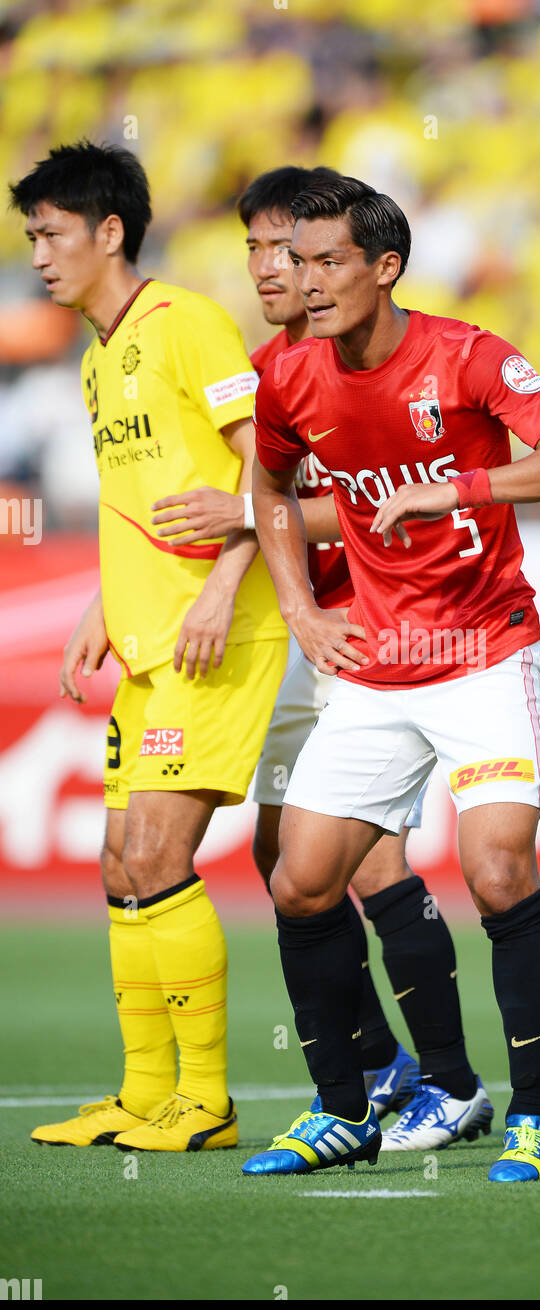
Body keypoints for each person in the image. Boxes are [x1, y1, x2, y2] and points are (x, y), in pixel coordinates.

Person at [246, 174, 540, 1182]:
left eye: (326, 263)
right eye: (293, 261)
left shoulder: (464, 354)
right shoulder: (287, 375)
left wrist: (459, 482)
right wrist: (299, 609)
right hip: (375, 660)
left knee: (496, 871)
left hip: (483, 652)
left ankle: (532, 1122)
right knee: (299, 879)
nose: (302, 281)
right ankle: (345, 1111)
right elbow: (267, 488)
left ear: (384, 266)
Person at [149, 165, 490, 1146]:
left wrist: (238, 556)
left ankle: (449, 1079)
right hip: (303, 633)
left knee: (371, 857)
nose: (268, 267)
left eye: (286, 248)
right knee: (281, 854)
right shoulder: (273, 368)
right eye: (256, 248)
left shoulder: (386, 353)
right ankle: (381, 1065)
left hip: (380, 632)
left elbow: (377, 494)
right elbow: (267, 498)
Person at [10, 141, 287, 1152]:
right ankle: (141, 1091)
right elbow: (141, 503)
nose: (38, 254)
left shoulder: (187, 325)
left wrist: (223, 579)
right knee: (118, 861)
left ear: (109, 231)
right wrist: (101, 603)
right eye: (30, 235)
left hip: (219, 636)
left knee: (160, 852)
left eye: (51, 232)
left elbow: (273, 468)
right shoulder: (95, 356)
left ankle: (206, 1099)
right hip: (146, 644)